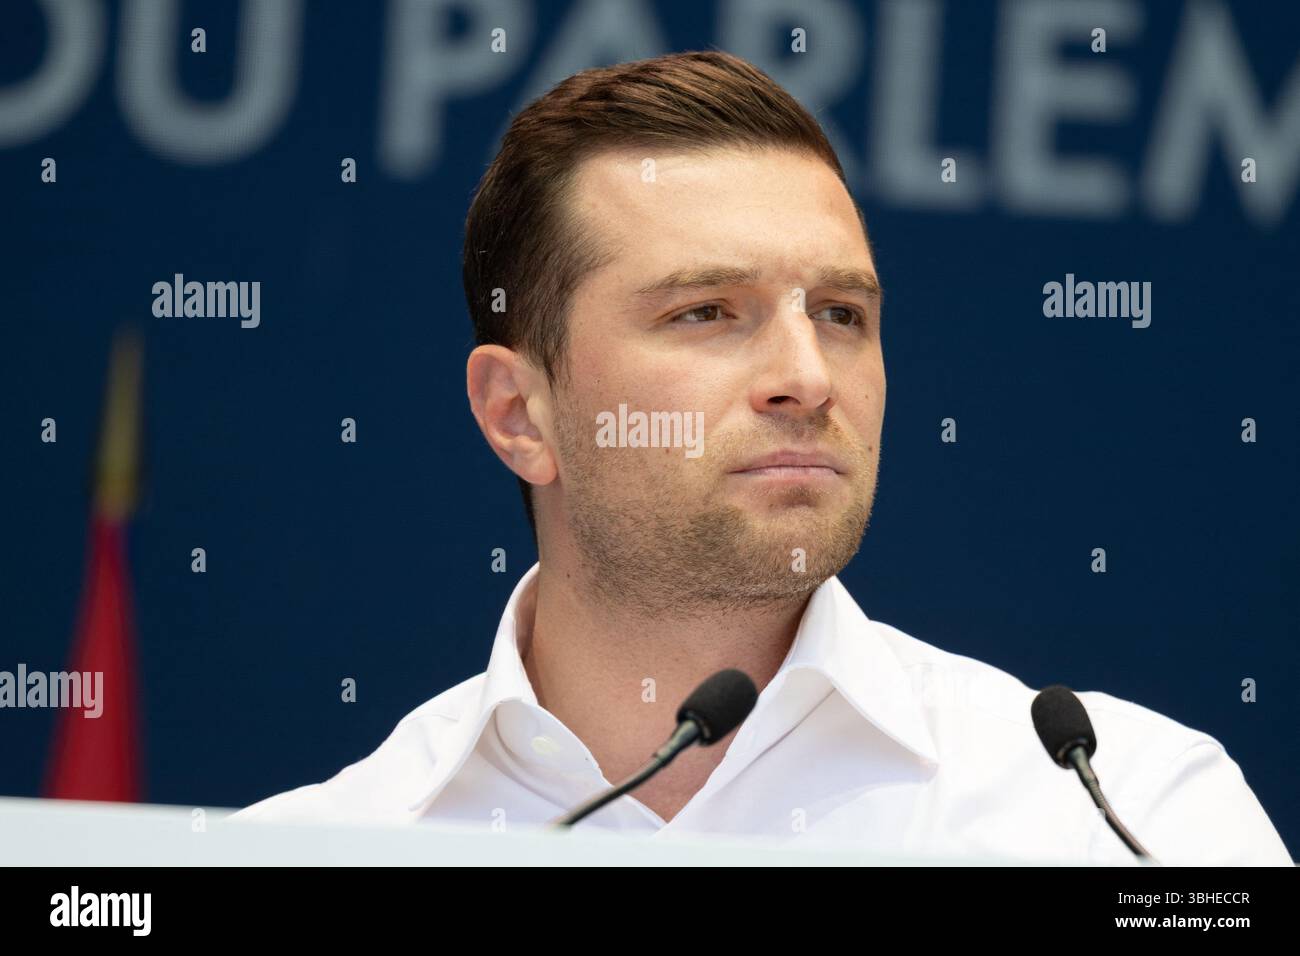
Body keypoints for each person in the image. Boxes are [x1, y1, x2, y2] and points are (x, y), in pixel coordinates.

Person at [232, 51, 1291, 865]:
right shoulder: (322, 845)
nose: (806, 375)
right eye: (706, 311)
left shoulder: (1127, 816)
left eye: (840, 313)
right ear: (519, 414)